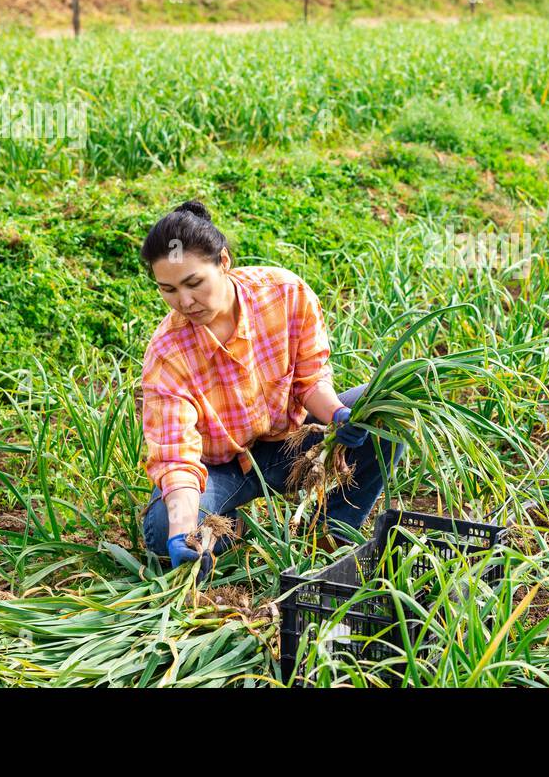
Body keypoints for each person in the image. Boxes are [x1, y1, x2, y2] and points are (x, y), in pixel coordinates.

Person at [138, 201, 400, 574]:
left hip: (291, 444)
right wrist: (183, 533)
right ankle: (231, 531)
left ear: (223, 261)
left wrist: (338, 415)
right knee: (164, 528)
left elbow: (310, 381)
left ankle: (330, 534)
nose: (184, 301)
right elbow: (177, 458)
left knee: (386, 410)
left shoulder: (283, 294)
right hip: (221, 469)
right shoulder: (168, 355)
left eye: (194, 283)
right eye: (168, 289)